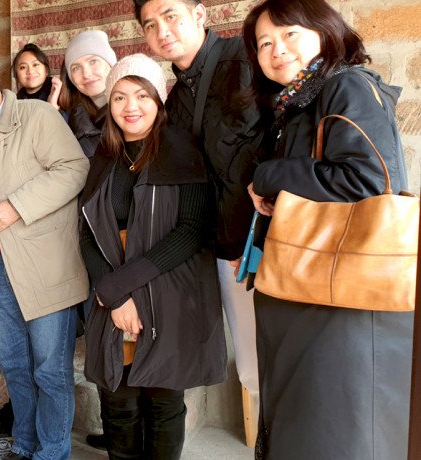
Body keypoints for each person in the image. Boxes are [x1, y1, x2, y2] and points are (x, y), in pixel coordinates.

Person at [241, 1, 412, 458]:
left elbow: (367, 181)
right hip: (309, 293)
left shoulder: (345, 85)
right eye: (264, 43)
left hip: (340, 303)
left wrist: (268, 176)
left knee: (335, 433)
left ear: (324, 30)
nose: (277, 50)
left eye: (289, 34)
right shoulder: (298, 101)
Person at [80, 54, 227, 460]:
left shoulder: (181, 148)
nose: (131, 106)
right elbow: (86, 230)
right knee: (118, 396)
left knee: (163, 400)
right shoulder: (104, 155)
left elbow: (191, 230)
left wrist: (118, 288)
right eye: (120, 97)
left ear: (158, 99)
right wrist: (112, 294)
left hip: (167, 285)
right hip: (113, 287)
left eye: (142, 95)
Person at [0, 48, 89, 460]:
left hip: (45, 265)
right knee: (13, 365)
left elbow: (74, 169)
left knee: (50, 369)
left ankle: (52, 452)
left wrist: (18, 205)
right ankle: (25, 445)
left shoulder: (36, 116)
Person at [134, 0, 265, 419]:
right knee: (254, 369)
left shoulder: (244, 60)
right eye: (150, 24)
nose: (162, 31)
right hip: (227, 251)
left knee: (291, 364)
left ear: (200, 14)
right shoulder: (175, 102)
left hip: (271, 241)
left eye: (170, 15)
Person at [62, 30, 117, 159]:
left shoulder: (140, 105)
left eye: (93, 61)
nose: (86, 74)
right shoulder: (72, 120)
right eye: (76, 68)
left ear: (111, 64)